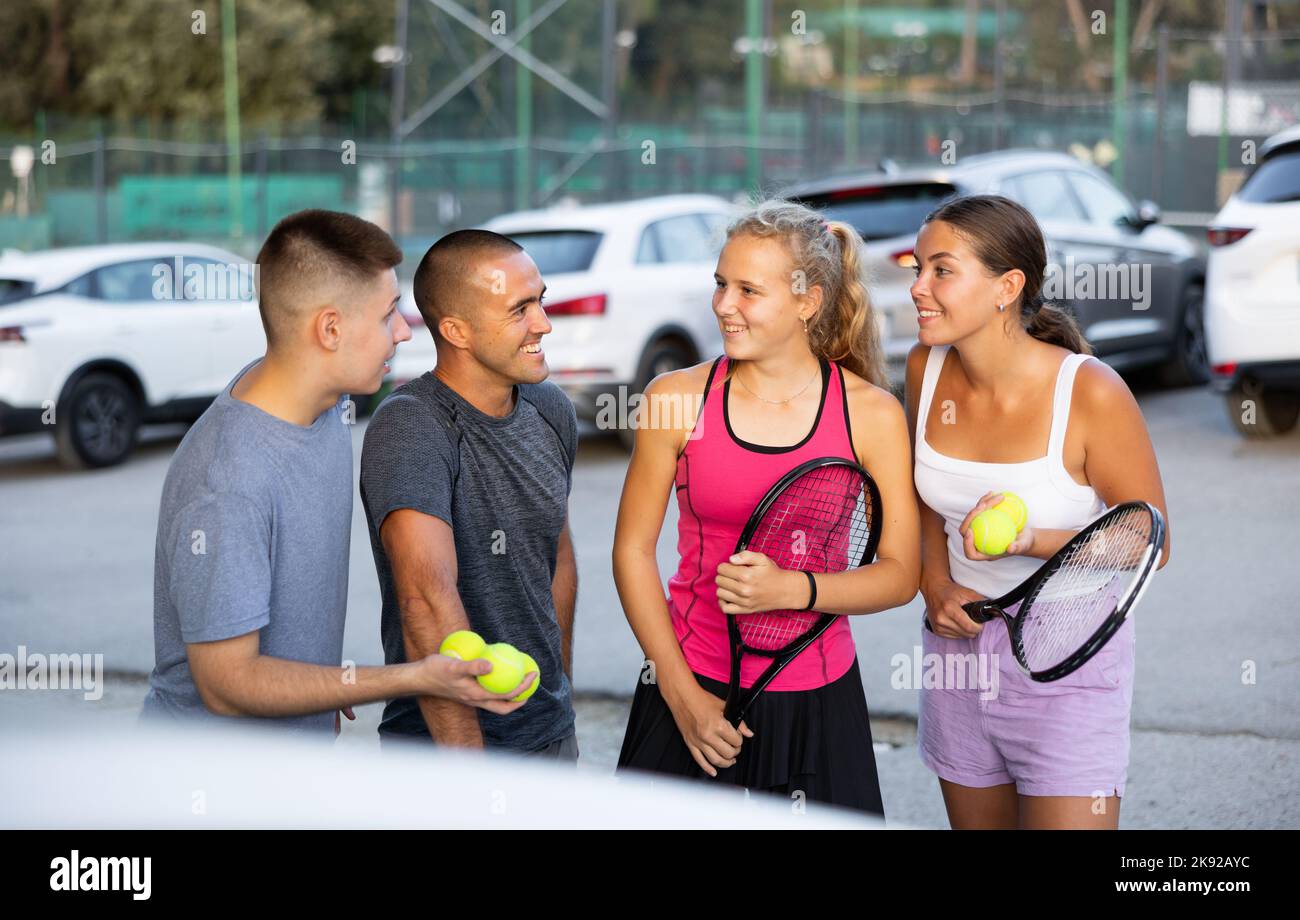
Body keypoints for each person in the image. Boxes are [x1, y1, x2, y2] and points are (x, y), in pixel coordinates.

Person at [143, 209, 531, 735]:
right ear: (329, 329)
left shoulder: (320, 405)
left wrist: (321, 683)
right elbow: (227, 686)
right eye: (388, 313)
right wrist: (409, 677)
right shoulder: (228, 483)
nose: (403, 332)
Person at [613, 200, 920, 814]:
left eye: (748, 290)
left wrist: (794, 591)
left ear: (807, 301)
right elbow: (631, 551)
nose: (725, 304)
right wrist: (681, 696)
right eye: (721, 284)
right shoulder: (674, 398)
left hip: (817, 699)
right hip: (690, 688)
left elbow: (900, 574)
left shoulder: (871, 413)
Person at [907, 194, 1173, 829]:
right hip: (957, 657)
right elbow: (921, 501)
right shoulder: (925, 367)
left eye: (941, 270)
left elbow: (1151, 542)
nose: (918, 288)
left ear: (1008, 286)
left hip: (1068, 652)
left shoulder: (1091, 391)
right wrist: (935, 584)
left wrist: (1028, 539)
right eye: (916, 268)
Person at [360, 229, 580, 760]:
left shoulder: (550, 408)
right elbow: (425, 602)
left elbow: (558, 558)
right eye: (519, 309)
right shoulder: (411, 427)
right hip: (444, 751)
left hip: (549, 735)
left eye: (541, 301)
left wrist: (558, 695)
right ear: (456, 330)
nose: (543, 324)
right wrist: (470, 778)